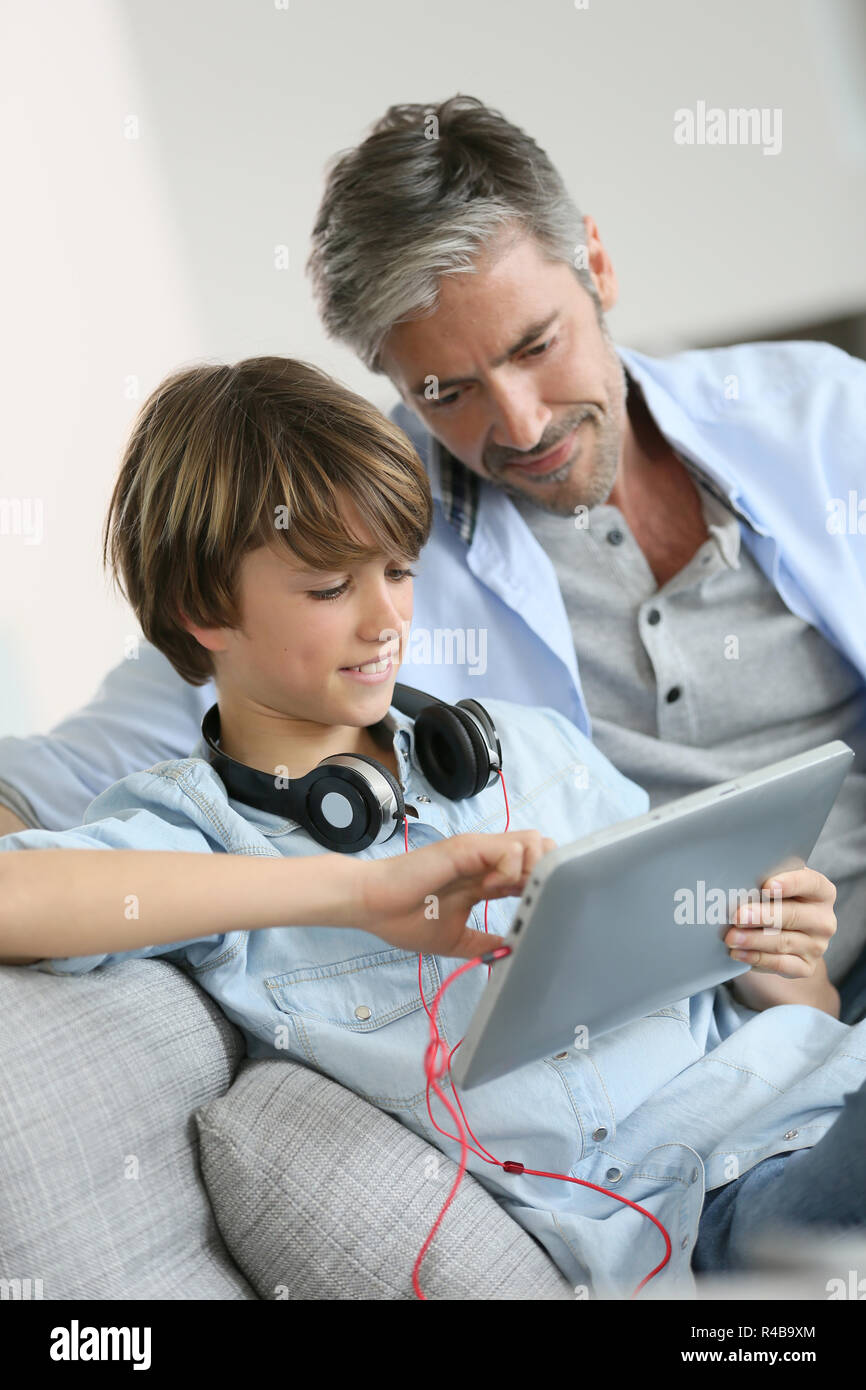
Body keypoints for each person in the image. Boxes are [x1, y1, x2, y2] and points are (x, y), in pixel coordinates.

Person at [0, 355, 862, 1300]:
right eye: (330, 588)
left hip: (817, 1084)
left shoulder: (530, 750)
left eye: (400, 571)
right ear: (203, 608)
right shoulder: (202, 837)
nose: (386, 620)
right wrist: (359, 892)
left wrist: (792, 968)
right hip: (723, 1208)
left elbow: (797, 1019)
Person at [2, 96, 865, 1027]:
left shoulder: (823, 418)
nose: (522, 425)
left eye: (538, 346)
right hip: (717, 1038)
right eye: (447, 392)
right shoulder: (344, 549)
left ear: (599, 267)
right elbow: (25, 806)